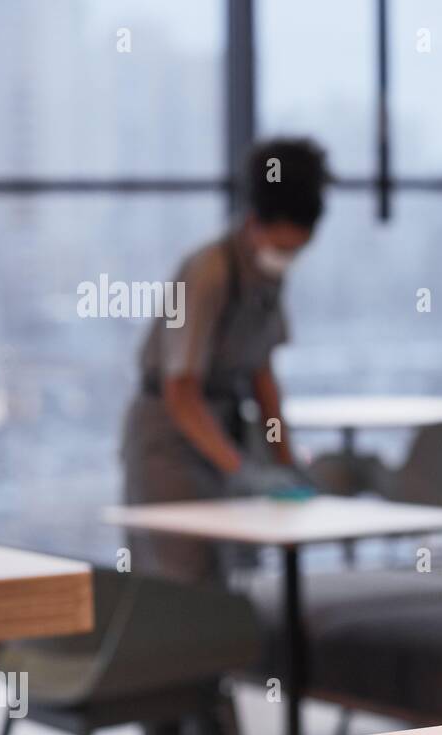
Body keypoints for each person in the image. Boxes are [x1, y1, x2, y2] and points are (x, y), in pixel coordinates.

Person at [120, 137, 329, 588]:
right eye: (280, 247)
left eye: (295, 250)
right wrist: (243, 469)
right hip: (170, 437)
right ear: (253, 222)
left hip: (222, 429)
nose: (286, 258)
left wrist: (284, 459)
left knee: (230, 576)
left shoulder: (267, 275)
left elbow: (262, 373)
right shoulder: (208, 273)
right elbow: (181, 391)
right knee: (182, 582)